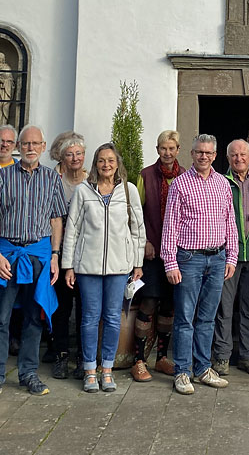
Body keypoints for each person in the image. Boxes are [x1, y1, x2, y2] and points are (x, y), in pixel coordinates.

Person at [0, 125, 68, 401]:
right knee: (2, 319)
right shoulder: (2, 177)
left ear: (42, 147)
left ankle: (28, 372)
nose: (30, 148)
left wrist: (54, 255)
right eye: (25, 144)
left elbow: (56, 219)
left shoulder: (52, 179)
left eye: (35, 144)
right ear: (18, 146)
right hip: (7, 255)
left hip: (39, 257)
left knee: (33, 318)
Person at [62, 143, 146, 392]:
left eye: (110, 160)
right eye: (101, 160)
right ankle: (89, 369)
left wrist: (137, 262)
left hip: (119, 267)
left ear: (117, 163)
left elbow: (137, 229)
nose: (106, 165)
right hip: (87, 266)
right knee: (88, 318)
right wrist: (68, 266)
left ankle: (107, 369)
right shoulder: (82, 191)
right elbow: (72, 230)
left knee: (112, 318)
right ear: (95, 164)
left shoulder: (128, 191)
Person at [161, 134, 238, 394]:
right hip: (189, 259)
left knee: (207, 318)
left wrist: (232, 256)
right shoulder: (180, 184)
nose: (203, 156)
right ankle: (182, 372)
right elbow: (170, 225)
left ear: (215, 155)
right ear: (191, 154)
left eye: (208, 153)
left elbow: (231, 222)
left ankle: (203, 368)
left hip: (217, 258)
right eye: (199, 152)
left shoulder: (222, 184)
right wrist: (170, 262)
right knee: (185, 318)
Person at [131, 130, 184, 382]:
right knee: (149, 302)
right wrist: (146, 242)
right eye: (163, 148)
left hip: (177, 252)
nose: (167, 152)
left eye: (171, 148)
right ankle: (139, 360)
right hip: (152, 251)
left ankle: (162, 357)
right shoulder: (145, 175)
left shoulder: (185, 175)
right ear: (157, 149)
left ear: (178, 149)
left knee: (169, 306)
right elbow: (136, 213)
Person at [213, 139, 249, 376]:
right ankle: (222, 357)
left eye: (243, 155)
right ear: (228, 158)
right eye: (234, 155)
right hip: (227, 257)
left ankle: (248, 356)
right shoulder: (220, 183)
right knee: (224, 308)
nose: (239, 159)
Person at [49, 130, 87, 379]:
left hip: (86, 254)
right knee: (61, 308)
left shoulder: (91, 180)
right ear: (62, 157)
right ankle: (60, 355)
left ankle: (84, 358)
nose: (75, 158)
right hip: (61, 252)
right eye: (70, 154)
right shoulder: (53, 180)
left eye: (79, 154)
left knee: (86, 308)